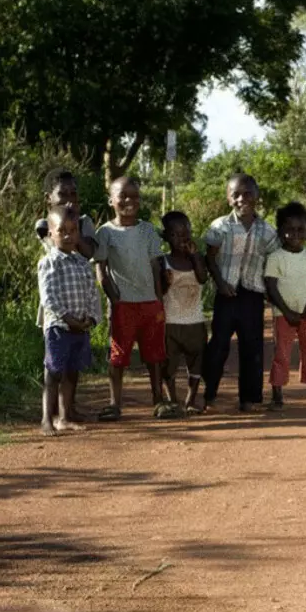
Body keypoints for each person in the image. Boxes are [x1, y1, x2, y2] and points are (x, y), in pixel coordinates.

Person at [93, 175, 169, 420]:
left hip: (149, 303)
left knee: (154, 355)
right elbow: (101, 270)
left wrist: (158, 300)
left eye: (134, 196)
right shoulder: (105, 232)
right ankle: (114, 404)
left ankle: (159, 400)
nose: (129, 200)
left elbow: (156, 266)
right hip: (123, 305)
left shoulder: (147, 230)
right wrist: (114, 299)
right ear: (111, 200)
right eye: (122, 196)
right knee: (118, 356)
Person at [202, 174, 280, 413]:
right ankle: (208, 396)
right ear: (228, 198)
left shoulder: (267, 231)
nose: (241, 199)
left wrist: (270, 291)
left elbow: (272, 263)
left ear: (256, 196)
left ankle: (249, 399)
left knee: (252, 348)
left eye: (247, 193)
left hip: (252, 296)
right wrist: (220, 283)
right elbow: (210, 258)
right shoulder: (220, 227)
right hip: (226, 295)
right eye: (235, 194)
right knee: (218, 346)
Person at [37, 206, 100, 436]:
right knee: (53, 372)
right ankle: (47, 419)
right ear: (50, 234)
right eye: (61, 230)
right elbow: (48, 296)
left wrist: (91, 318)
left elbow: (92, 292)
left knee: (73, 372)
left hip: (80, 327)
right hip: (58, 327)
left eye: (73, 231)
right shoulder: (48, 263)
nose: (68, 235)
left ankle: (65, 417)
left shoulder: (83, 263)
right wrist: (67, 318)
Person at [264, 201, 306, 410]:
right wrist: (286, 311)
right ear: (280, 231)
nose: (295, 234)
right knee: (281, 354)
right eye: (289, 230)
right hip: (284, 315)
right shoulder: (275, 258)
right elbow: (271, 287)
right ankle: (277, 396)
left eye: (300, 229)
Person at [159, 211, 209, 413]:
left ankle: (191, 400)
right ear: (167, 237)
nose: (182, 239)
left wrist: (196, 256)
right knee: (169, 364)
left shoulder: (196, 260)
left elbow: (203, 278)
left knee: (196, 362)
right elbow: (160, 291)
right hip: (171, 321)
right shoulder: (163, 261)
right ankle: (172, 400)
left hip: (195, 321)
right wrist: (166, 281)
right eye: (176, 235)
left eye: (186, 234)